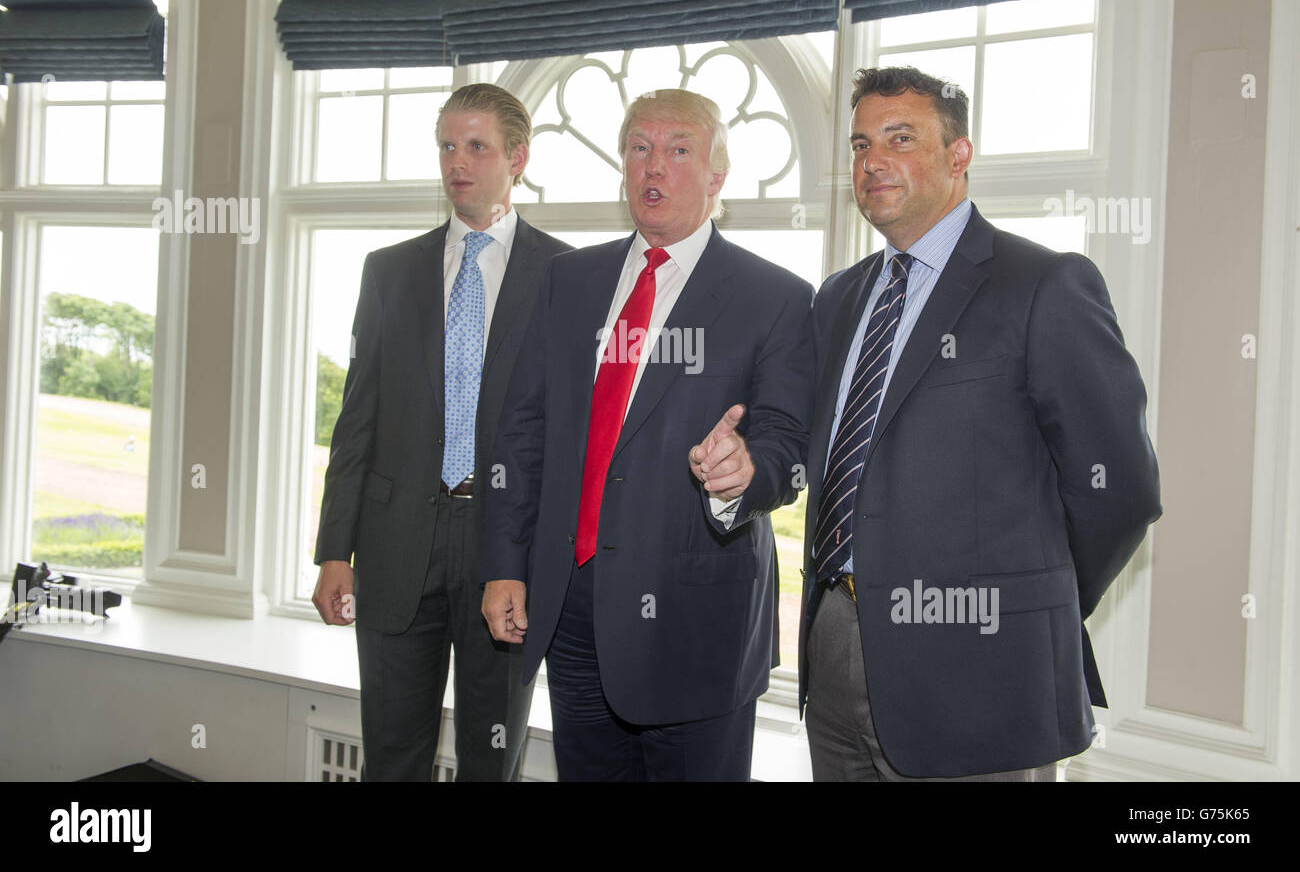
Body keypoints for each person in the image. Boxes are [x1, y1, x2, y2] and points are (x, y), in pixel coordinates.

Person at [800, 66, 1161, 781]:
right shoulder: (838, 298)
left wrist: (1027, 594)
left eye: (900, 139)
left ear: (958, 155)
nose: (872, 161)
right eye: (861, 143)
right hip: (834, 645)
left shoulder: (1044, 285)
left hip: (981, 664)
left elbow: (1119, 489)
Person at [481, 88, 814, 781]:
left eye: (679, 149)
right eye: (639, 148)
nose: (653, 165)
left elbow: (788, 442)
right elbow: (523, 432)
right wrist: (507, 562)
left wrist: (745, 471)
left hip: (696, 622)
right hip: (573, 610)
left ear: (718, 176)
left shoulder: (775, 297)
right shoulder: (568, 280)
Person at [311, 83, 569, 781]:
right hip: (395, 550)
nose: (458, 162)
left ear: (517, 157)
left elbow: (567, 437)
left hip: (506, 552)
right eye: (447, 146)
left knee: (492, 762)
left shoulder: (568, 275)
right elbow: (355, 421)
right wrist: (335, 549)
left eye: (477, 145)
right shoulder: (388, 272)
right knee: (392, 761)